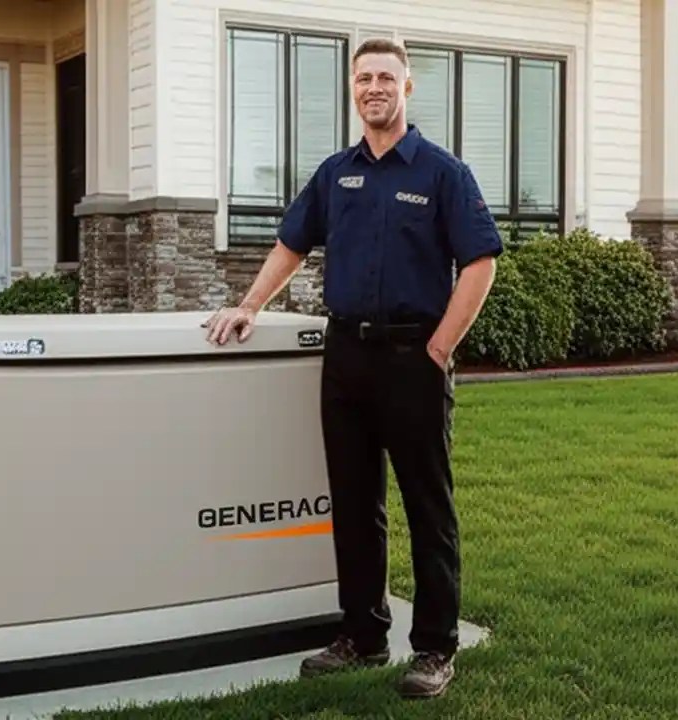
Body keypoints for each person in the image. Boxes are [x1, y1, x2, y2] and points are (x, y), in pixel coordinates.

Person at [203, 37, 502, 699]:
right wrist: (249, 304)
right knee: (354, 502)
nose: (373, 88)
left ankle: (433, 648)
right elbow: (291, 242)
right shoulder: (335, 173)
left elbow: (480, 263)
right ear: (353, 88)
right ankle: (363, 634)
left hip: (413, 357)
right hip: (346, 357)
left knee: (428, 506)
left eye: (385, 78)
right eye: (363, 78)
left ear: (407, 88)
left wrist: (440, 347)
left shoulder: (442, 173)